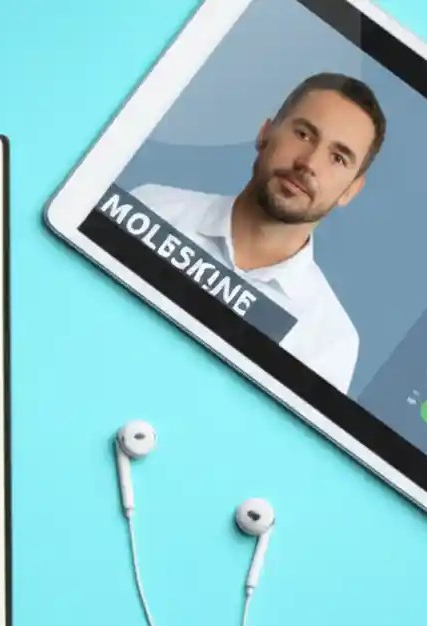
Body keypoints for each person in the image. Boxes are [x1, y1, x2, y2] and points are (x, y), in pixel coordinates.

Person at [131, 72, 386, 395]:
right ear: (265, 133)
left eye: (338, 158)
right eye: (304, 134)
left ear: (351, 190)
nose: (308, 163)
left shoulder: (329, 339)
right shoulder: (152, 208)